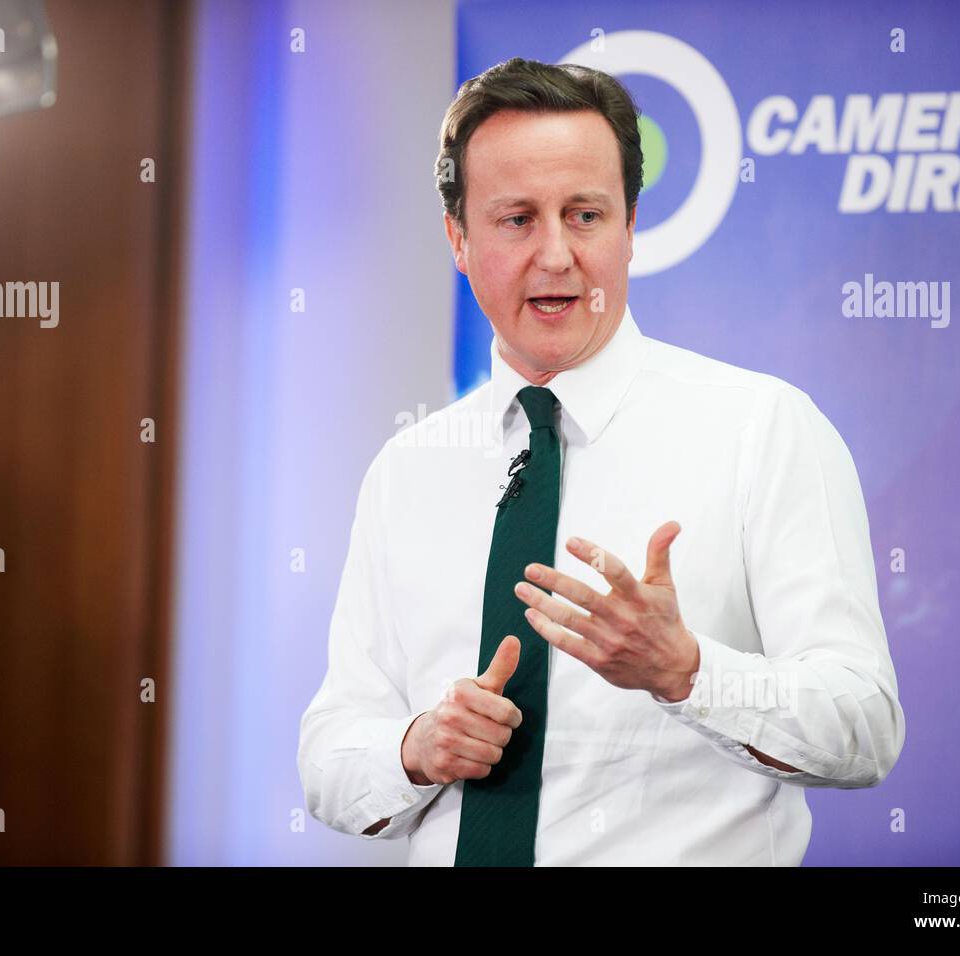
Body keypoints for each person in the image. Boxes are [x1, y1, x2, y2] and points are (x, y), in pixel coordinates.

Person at [297, 57, 904, 866]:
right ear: (458, 237)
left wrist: (687, 672)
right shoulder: (407, 468)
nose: (556, 256)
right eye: (517, 219)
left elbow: (864, 725)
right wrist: (417, 746)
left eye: (585, 215)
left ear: (629, 226)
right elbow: (331, 754)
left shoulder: (763, 429)